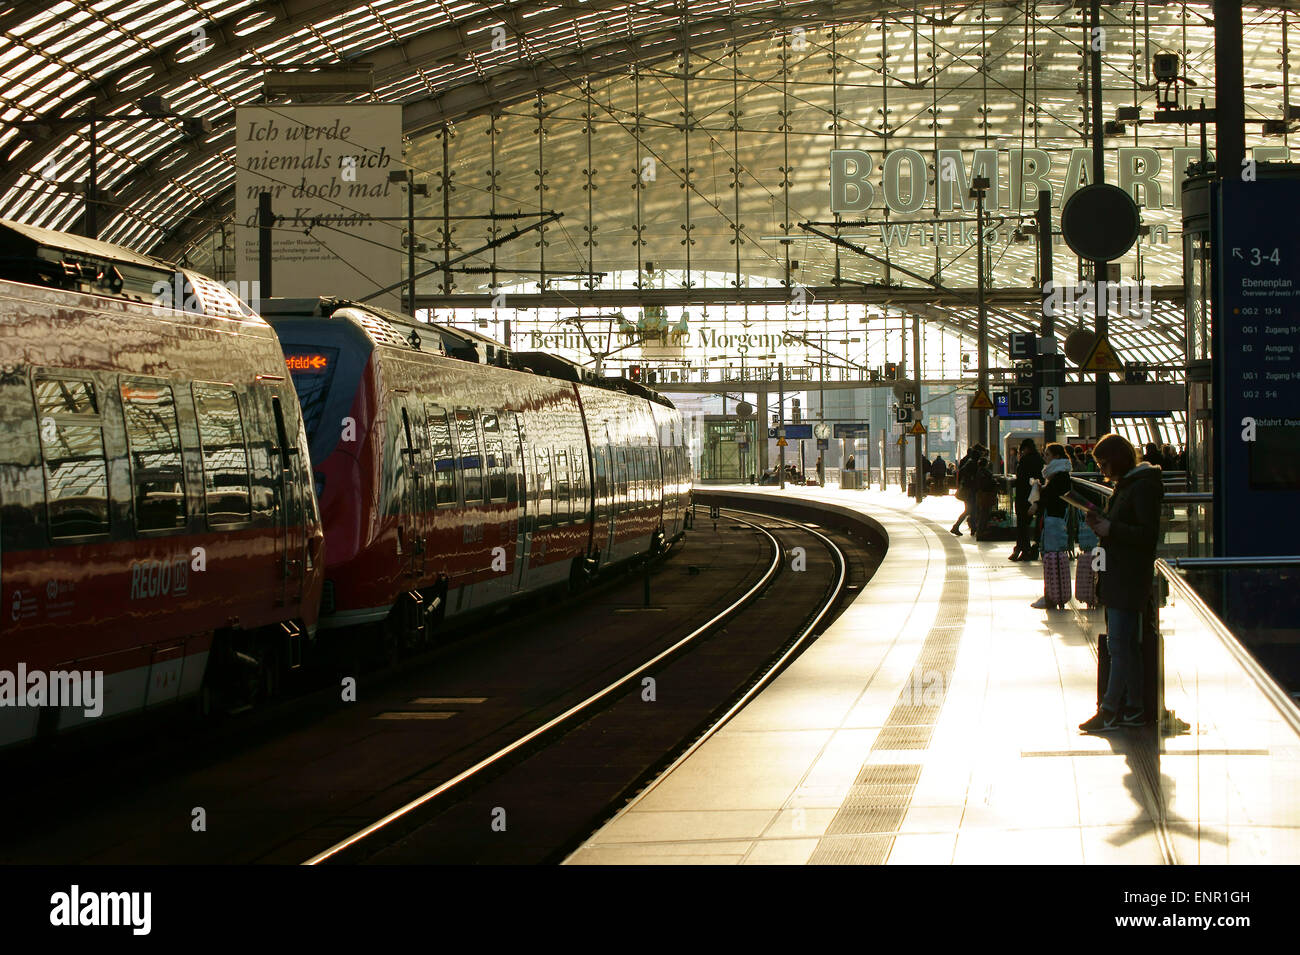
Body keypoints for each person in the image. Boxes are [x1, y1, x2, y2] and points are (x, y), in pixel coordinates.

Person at [1078, 433, 1165, 733]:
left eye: (1103, 463)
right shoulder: (1130, 485)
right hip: (1122, 574)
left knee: (1119, 646)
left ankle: (1111, 710)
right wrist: (1103, 522)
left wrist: (1110, 527)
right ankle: (1134, 708)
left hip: (1128, 577)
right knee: (1127, 646)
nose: (1102, 469)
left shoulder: (1140, 488)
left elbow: (1146, 535)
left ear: (1117, 459)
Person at [1031, 442, 1072, 608]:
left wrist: (1038, 498)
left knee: (1051, 559)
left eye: (1047, 454)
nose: (1045, 458)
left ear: (1056, 456)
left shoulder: (1059, 475)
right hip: (1056, 519)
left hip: (1054, 520)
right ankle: (1054, 595)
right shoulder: (1058, 473)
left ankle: (1051, 597)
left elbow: (1052, 496)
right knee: (1053, 559)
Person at [1010, 438, 1042, 561]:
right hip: (1036, 496)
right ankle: (1031, 548)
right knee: (1035, 523)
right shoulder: (1039, 460)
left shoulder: (1024, 461)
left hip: (1023, 496)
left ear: (1025, 449)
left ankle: (1023, 549)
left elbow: (1021, 479)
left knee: (1022, 525)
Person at [950, 445, 982, 536]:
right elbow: (973, 478)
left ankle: (971, 528)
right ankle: (957, 527)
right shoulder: (973, 464)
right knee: (969, 510)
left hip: (966, 490)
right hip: (969, 491)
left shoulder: (968, 463)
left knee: (970, 510)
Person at [974, 449, 997, 537]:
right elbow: (990, 483)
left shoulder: (979, 471)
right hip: (986, 495)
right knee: (985, 513)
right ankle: (981, 531)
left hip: (980, 494)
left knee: (982, 512)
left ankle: (980, 530)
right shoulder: (985, 472)